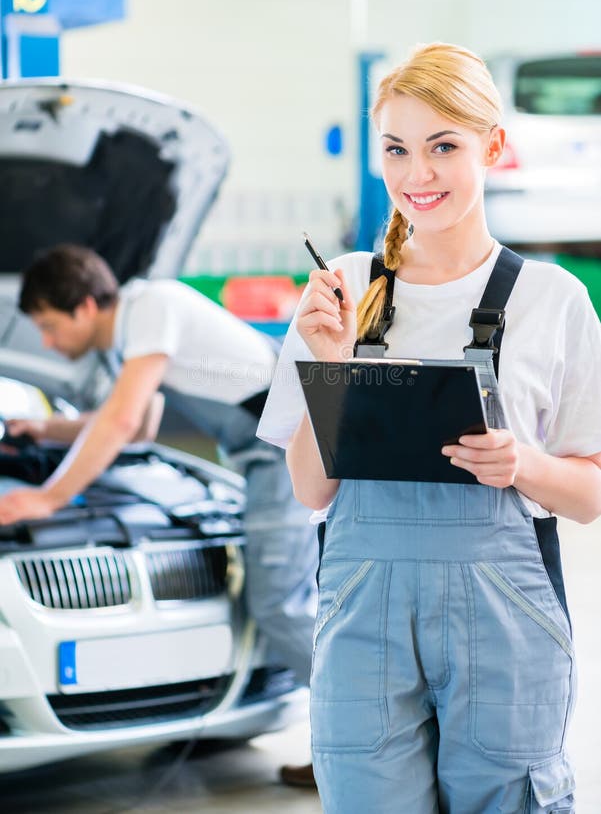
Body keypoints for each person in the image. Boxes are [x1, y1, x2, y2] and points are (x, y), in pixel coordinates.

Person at [257, 42, 601, 812]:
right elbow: (312, 488)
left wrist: (525, 466)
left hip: (505, 625)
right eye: (397, 149)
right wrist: (331, 363)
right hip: (361, 629)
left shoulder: (552, 299)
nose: (418, 174)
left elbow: (587, 496)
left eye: (442, 146)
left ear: (492, 145)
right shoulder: (341, 290)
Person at [0, 245, 318, 751]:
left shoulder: (152, 307)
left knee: (281, 608)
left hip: (292, 452)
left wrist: (46, 498)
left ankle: (371, 744)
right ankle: (345, 747)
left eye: (49, 325)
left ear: (84, 306)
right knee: (288, 606)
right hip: (270, 454)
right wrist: (45, 429)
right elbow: (140, 428)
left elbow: (123, 420)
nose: (47, 342)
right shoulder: (134, 335)